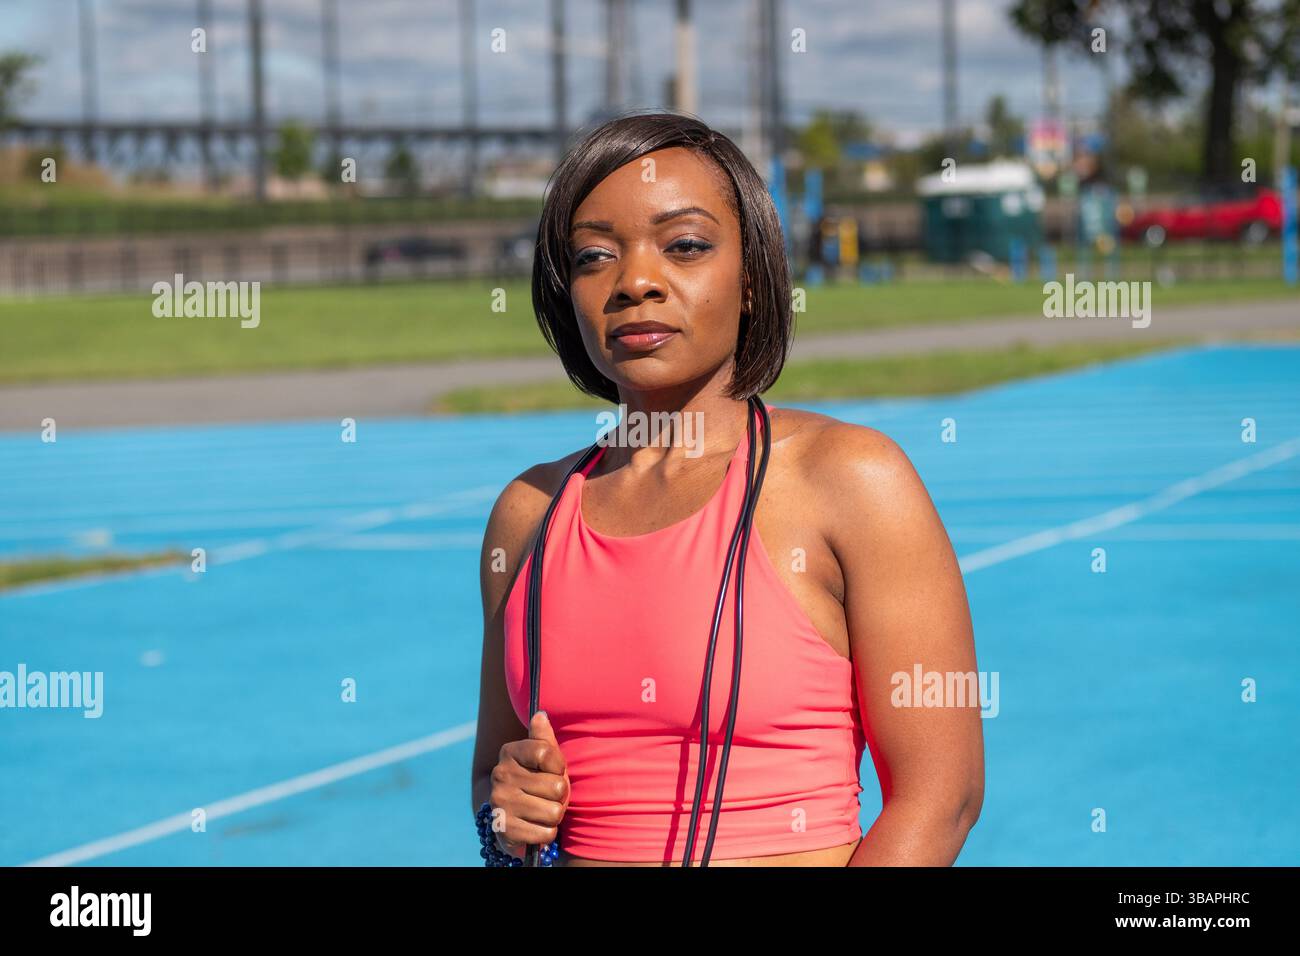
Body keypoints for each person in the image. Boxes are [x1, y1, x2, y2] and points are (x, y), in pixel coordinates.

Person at [470, 111, 983, 866]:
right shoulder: (529, 516)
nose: (635, 282)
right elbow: (494, 775)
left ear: (751, 279)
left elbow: (941, 799)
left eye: (684, 246)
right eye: (594, 256)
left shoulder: (850, 481)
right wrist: (505, 813)